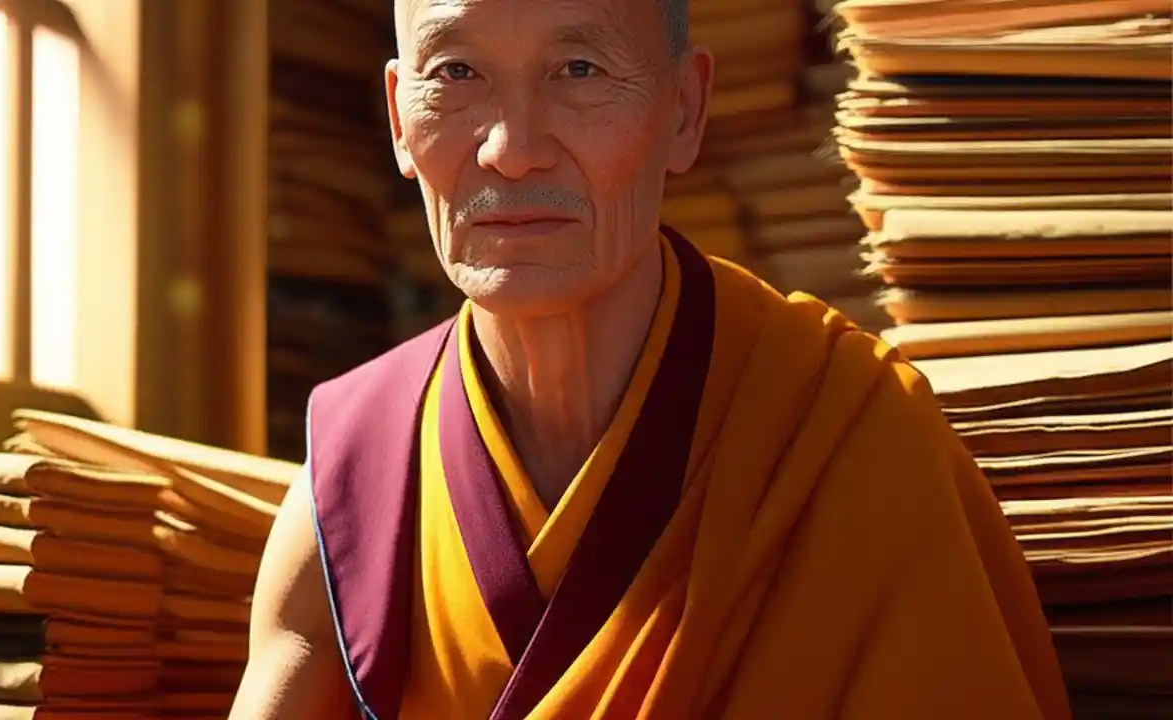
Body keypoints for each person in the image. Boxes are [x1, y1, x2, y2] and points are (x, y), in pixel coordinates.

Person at [230, 0, 1070, 717]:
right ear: (396, 121)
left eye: (580, 70)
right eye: (455, 74)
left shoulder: (845, 434)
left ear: (684, 110)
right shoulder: (357, 477)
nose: (511, 148)